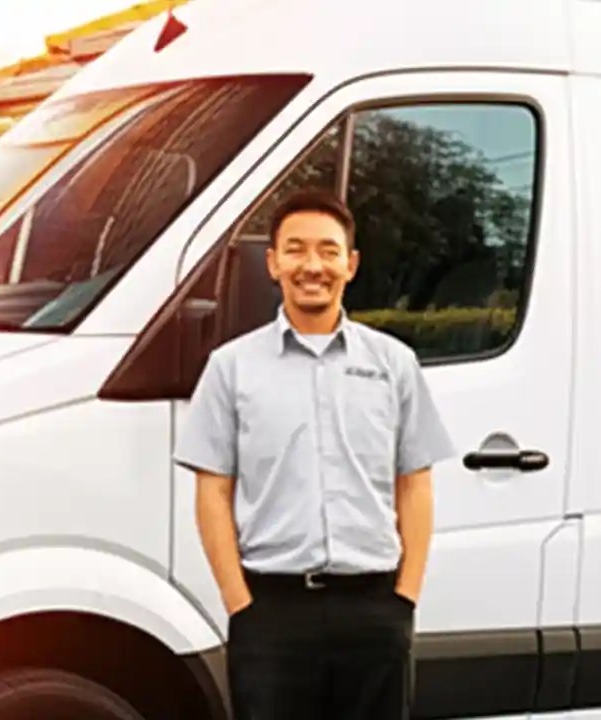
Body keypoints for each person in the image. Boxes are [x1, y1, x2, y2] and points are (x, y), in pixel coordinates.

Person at [173, 189, 456, 719]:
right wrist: (241, 604)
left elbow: (414, 483)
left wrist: (404, 600)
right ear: (273, 262)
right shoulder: (231, 368)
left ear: (350, 265)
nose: (312, 265)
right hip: (272, 612)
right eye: (296, 249)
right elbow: (212, 492)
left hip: (373, 610)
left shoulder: (393, 363)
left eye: (328, 251)